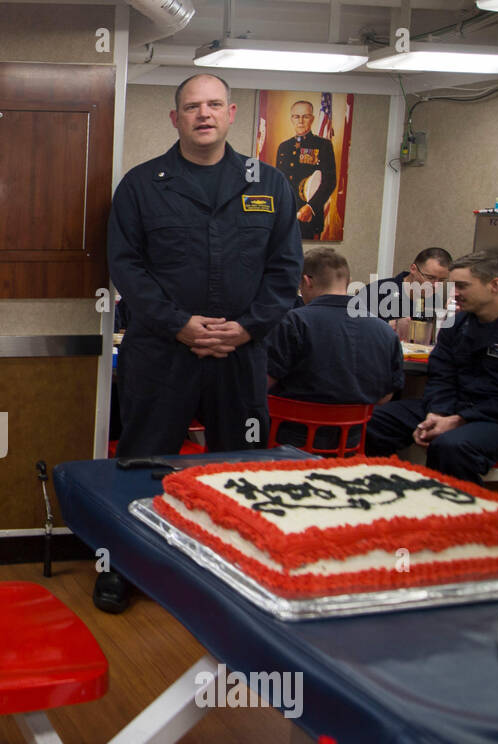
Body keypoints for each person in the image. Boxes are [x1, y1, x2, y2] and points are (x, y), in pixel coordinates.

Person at [102, 72, 302, 612]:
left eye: (214, 104)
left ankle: (238, 568)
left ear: (232, 114)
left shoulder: (269, 184)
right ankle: (124, 567)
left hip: (240, 354)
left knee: (240, 466)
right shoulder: (142, 185)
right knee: (143, 462)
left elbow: (285, 270)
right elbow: (127, 267)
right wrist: (179, 324)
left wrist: (247, 327)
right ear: (176, 118)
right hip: (160, 354)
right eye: (192, 106)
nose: (204, 114)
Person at [364, 251, 498, 483]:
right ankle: (378, 489)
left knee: (450, 446)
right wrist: (438, 412)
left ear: (495, 285)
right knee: (372, 422)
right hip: (454, 407)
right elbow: (441, 376)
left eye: (462, 286)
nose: (454, 293)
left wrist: (460, 419)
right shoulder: (458, 324)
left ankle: (456, 503)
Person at [267, 248, 403, 451]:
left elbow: (263, 383)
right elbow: (385, 397)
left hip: (288, 441)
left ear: (306, 281)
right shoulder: (385, 330)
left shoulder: (292, 323)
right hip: (352, 443)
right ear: (348, 282)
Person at [274, 99, 336, 240]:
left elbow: (329, 181)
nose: (300, 121)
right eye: (296, 116)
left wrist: (310, 207)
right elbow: (279, 183)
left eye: (305, 116)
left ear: (312, 119)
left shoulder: (323, 145)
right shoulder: (284, 147)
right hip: (286, 214)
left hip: (309, 216)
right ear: (291, 119)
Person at [364, 246, 453, 340]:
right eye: (430, 278)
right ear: (413, 269)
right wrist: (389, 324)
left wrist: (449, 317)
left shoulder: (433, 299)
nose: (436, 285)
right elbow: (356, 324)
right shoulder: (378, 290)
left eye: (442, 280)